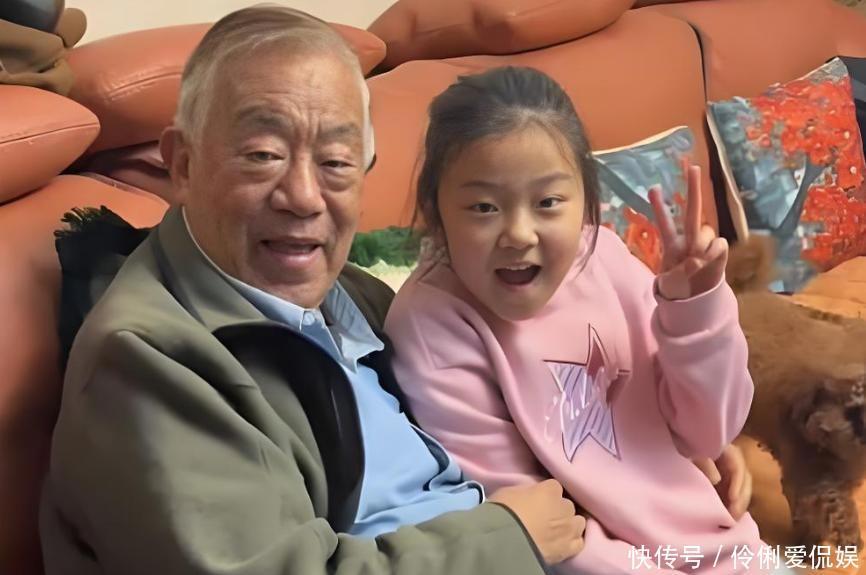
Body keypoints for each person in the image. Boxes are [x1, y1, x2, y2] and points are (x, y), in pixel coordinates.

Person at [39, 7, 749, 575]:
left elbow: (528, 415)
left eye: (336, 161)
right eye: (262, 154)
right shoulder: (147, 362)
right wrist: (507, 538)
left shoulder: (342, 297)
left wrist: (656, 445)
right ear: (183, 165)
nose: (303, 195)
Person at [384, 66, 778, 574]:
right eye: (483, 207)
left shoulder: (604, 256)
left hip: (730, 552)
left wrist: (695, 308)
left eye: (548, 202)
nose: (519, 233)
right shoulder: (430, 324)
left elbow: (706, 432)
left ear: (586, 201)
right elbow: (526, 529)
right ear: (435, 211)